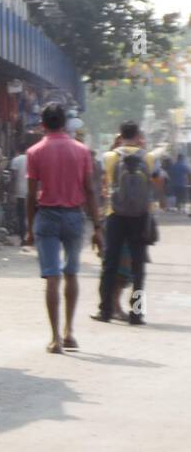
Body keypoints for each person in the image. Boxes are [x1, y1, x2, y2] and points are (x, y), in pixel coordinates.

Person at [26, 103, 103, 354]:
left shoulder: (35, 152)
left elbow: (29, 195)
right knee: (71, 273)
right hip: (74, 217)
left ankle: (55, 338)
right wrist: (98, 227)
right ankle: (70, 332)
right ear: (65, 123)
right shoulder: (81, 151)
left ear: (43, 123)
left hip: (46, 216)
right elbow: (90, 190)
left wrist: (28, 227)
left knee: (52, 276)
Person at [98, 121, 151, 325]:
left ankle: (105, 310)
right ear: (138, 135)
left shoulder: (110, 157)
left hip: (115, 215)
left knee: (109, 263)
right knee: (138, 267)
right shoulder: (147, 157)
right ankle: (137, 313)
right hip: (140, 216)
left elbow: (106, 183)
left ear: (120, 135)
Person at [9, 145, 30, 240]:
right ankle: (31, 236)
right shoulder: (32, 159)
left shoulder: (16, 160)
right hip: (31, 192)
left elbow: (13, 178)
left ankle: (22, 237)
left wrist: (11, 192)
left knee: (21, 215)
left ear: (18, 150)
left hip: (19, 192)